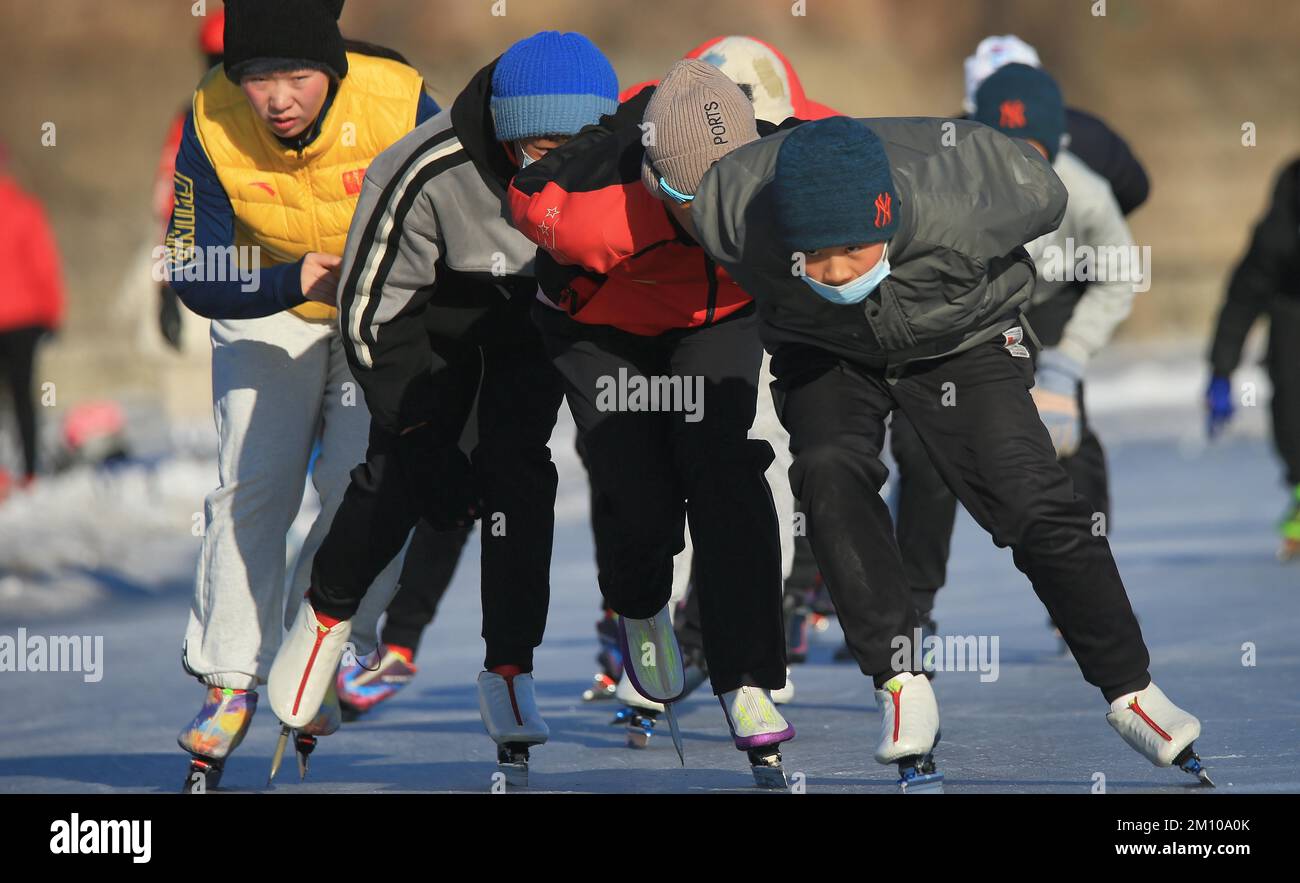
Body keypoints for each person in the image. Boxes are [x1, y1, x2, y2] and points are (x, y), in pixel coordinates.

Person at [645, 59, 1212, 790]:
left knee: (1031, 496)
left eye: (854, 250)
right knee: (827, 468)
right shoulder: (731, 214)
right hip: (825, 351)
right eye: (817, 257)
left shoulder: (976, 192)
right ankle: (899, 679)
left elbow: (1049, 193)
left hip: (962, 340)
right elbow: (652, 165)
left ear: (888, 221)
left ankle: (1132, 688)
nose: (840, 272)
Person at [266, 31, 617, 788]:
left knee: (520, 477)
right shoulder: (429, 165)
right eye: (540, 146)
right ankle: (327, 615)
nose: (557, 164)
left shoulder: (617, 162)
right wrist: (420, 427)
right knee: (398, 474)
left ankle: (511, 663)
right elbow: (367, 309)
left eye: (575, 146)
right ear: (508, 132)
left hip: (536, 323)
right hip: (427, 327)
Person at [168, 0, 437, 790]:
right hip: (269, 306)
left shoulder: (396, 96)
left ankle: (310, 650)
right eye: (257, 77)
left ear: (333, 67)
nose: (277, 97)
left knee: (371, 491)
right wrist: (292, 278)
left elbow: (458, 206)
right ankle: (228, 681)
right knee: (255, 482)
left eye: (297, 75)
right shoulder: (211, 115)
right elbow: (192, 269)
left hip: (382, 313)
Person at [507, 54, 793, 787]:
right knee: (637, 488)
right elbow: (522, 186)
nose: (714, 220)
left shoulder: (779, 169)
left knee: (724, 464)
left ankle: (748, 673)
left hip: (717, 318)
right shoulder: (578, 202)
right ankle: (638, 606)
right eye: (694, 202)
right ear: (654, 181)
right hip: (602, 329)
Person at [891, 63, 1144, 658]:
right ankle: (915, 604)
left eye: (1031, 150)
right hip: (960, 312)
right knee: (923, 451)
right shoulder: (942, 185)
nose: (1016, 163)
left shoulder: (1086, 193)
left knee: (1064, 442)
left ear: (1055, 145)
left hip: (1048, 309)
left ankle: (1081, 601)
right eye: (1002, 147)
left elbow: (1119, 277)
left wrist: (1067, 364)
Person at [1206, 154, 1300, 561]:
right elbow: (1244, 298)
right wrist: (1221, 371)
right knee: (1293, 414)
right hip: (1293, 314)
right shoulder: (1280, 229)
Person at [0, 143, 65, 498]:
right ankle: (28, 470)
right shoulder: (25, 208)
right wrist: (52, 313)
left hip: (16, 316)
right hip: (24, 320)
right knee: (24, 397)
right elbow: (44, 264)